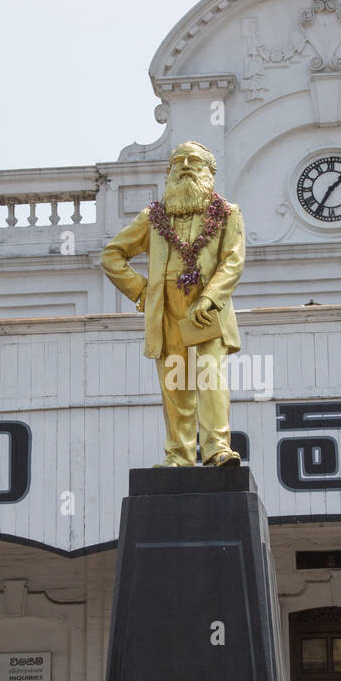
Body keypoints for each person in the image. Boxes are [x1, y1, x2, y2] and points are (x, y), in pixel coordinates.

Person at [100, 140, 246, 468]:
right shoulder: (153, 217)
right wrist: (142, 291)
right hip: (165, 309)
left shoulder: (227, 214)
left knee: (209, 379)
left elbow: (232, 262)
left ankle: (217, 449)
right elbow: (112, 254)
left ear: (209, 171)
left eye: (193, 161)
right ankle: (179, 455)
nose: (184, 167)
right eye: (177, 162)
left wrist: (209, 298)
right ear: (168, 173)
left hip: (206, 309)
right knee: (175, 384)